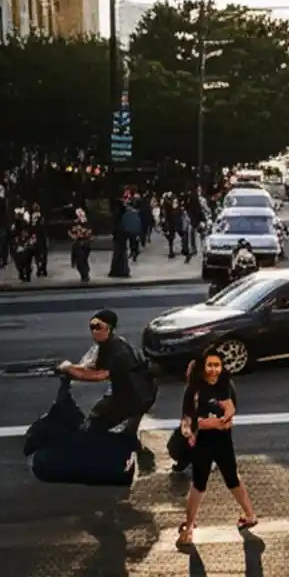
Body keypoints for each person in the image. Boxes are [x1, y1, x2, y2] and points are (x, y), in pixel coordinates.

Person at [175, 350, 258, 546]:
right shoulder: (200, 390)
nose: (213, 371)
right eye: (209, 366)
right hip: (211, 441)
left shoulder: (219, 386)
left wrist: (217, 420)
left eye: (216, 366)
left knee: (211, 481)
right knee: (216, 480)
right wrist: (201, 425)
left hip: (214, 441)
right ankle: (248, 515)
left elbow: (227, 409)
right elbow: (189, 420)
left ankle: (190, 527)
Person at [59, 310, 158, 442]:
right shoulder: (107, 344)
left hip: (134, 395)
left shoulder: (118, 351)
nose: (94, 331)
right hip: (140, 390)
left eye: (98, 327)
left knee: (94, 424)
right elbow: (93, 366)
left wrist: (69, 370)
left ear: (109, 328)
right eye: (92, 327)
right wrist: (70, 367)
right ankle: (130, 445)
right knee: (125, 430)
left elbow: (99, 375)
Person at [69, 209, 93, 283]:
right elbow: (71, 232)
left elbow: (89, 232)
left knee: (83, 259)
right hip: (78, 243)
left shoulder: (86, 223)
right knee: (80, 260)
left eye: (81, 214)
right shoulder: (75, 223)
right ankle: (84, 274)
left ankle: (85, 274)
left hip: (84, 243)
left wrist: (85, 234)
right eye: (79, 214)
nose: (80, 216)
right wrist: (75, 235)